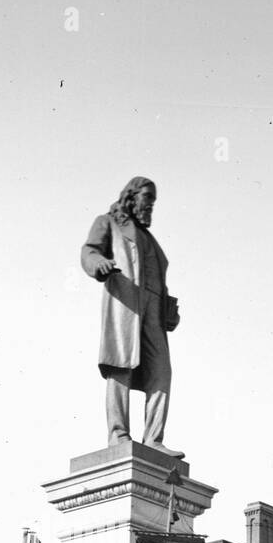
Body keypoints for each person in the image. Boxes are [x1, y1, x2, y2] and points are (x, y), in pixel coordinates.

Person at [81, 177, 181, 452]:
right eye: (147, 197)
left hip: (154, 310)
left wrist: (168, 308)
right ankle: (118, 434)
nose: (150, 205)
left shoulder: (150, 239)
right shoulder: (109, 222)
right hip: (126, 303)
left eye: (153, 201)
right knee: (121, 365)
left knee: (161, 371)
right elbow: (89, 250)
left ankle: (153, 439)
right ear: (132, 195)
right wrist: (98, 263)